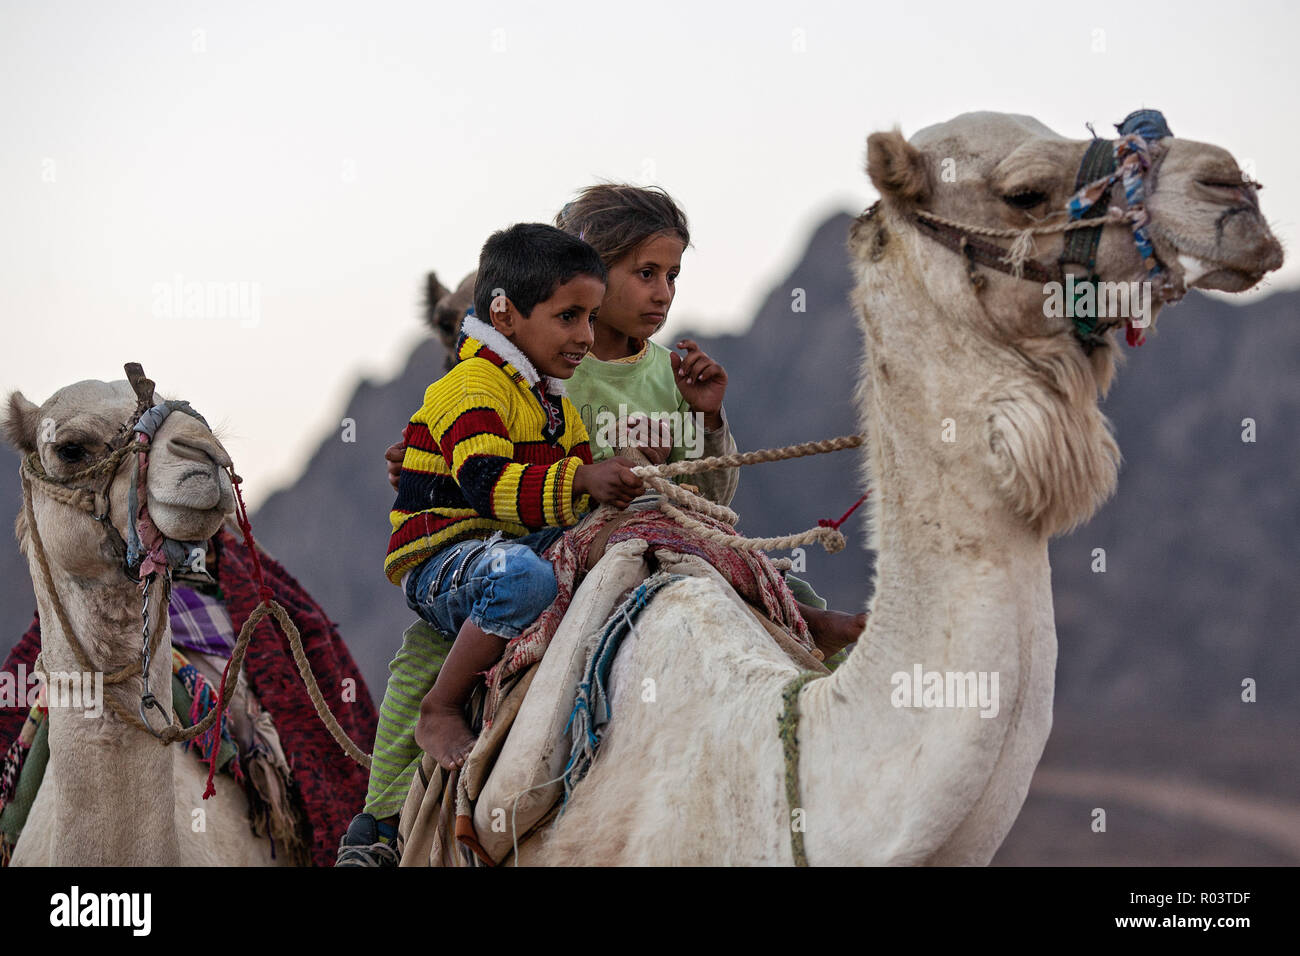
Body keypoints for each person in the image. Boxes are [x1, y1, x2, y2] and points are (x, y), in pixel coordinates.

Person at [338, 223, 643, 866]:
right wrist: (584, 478)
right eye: (570, 317)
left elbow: (574, 484)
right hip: (454, 554)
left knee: (646, 539)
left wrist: (617, 480)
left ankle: (793, 613)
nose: (586, 336)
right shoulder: (469, 388)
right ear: (503, 311)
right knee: (524, 581)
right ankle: (439, 709)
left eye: (590, 317)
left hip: (517, 537)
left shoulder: (553, 399)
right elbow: (489, 489)